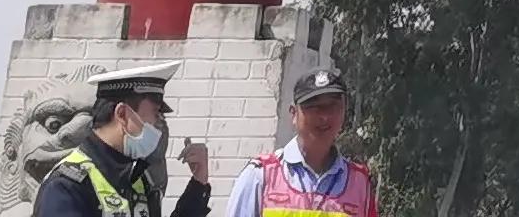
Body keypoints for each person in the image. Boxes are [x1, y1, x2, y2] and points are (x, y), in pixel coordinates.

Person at [35, 72, 207, 217]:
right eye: (155, 114)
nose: (159, 125)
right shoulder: (66, 186)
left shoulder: (137, 180)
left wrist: (199, 184)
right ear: (123, 114)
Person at [221, 72, 371, 217]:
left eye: (332, 106)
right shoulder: (261, 176)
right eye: (313, 107)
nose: (324, 116)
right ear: (293, 114)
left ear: (344, 111)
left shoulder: (360, 183)